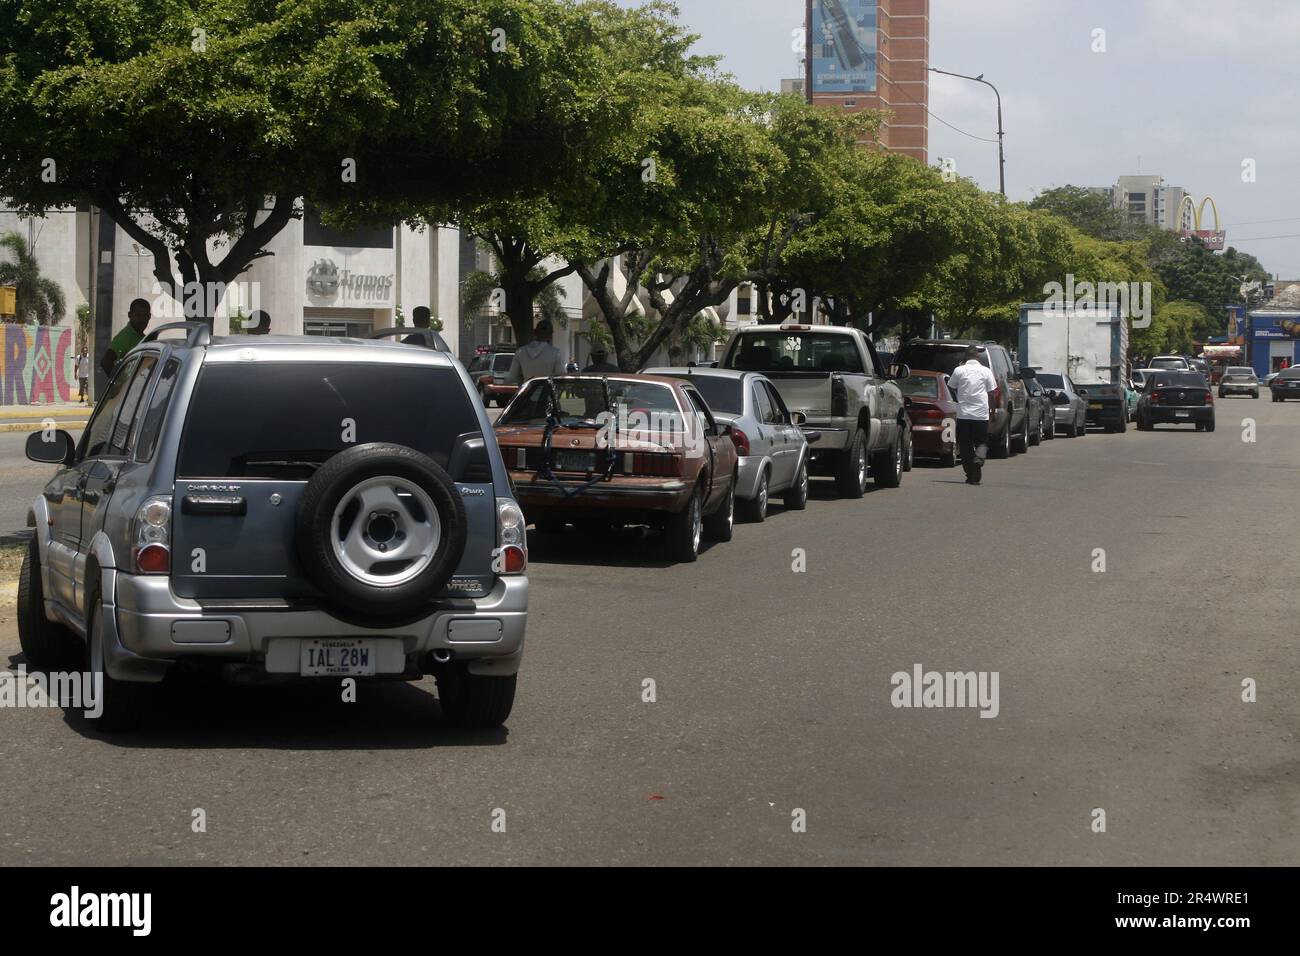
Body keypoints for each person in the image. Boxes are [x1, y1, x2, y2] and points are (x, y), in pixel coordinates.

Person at [947, 345, 998, 486]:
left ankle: (970, 474)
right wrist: (992, 412)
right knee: (981, 442)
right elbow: (992, 393)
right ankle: (978, 460)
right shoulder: (986, 371)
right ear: (977, 356)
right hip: (981, 414)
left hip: (963, 414)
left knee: (965, 445)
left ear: (965, 356)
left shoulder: (959, 370)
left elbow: (951, 386)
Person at [101, 298, 151, 376]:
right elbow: (106, 362)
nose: (142, 319)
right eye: (138, 315)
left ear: (149, 316)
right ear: (129, 315)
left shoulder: (143, 337)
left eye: (145, 315)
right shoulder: (126, 336)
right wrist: (120, 384)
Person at [507, 318, 566, 384]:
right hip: (546, 392)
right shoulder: (556, 353)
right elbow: (561, 378)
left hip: (527, 392)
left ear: (535, 332)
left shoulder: (521, 352)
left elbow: (511, 378)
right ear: (551, 335)